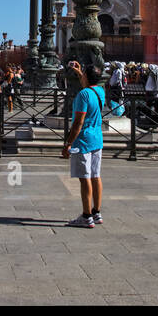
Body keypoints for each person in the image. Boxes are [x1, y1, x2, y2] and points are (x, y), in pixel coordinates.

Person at [62, 63, 105, 228]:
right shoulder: (99, 91)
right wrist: (80, 72)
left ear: (87, 77)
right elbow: (89, 84)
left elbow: (78, 122)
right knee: (96, 175)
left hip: (83, 140)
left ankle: (86, 216)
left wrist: (68, 143)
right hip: (97, 139)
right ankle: (96, 212)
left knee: (84, 178)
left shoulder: (82, 95)